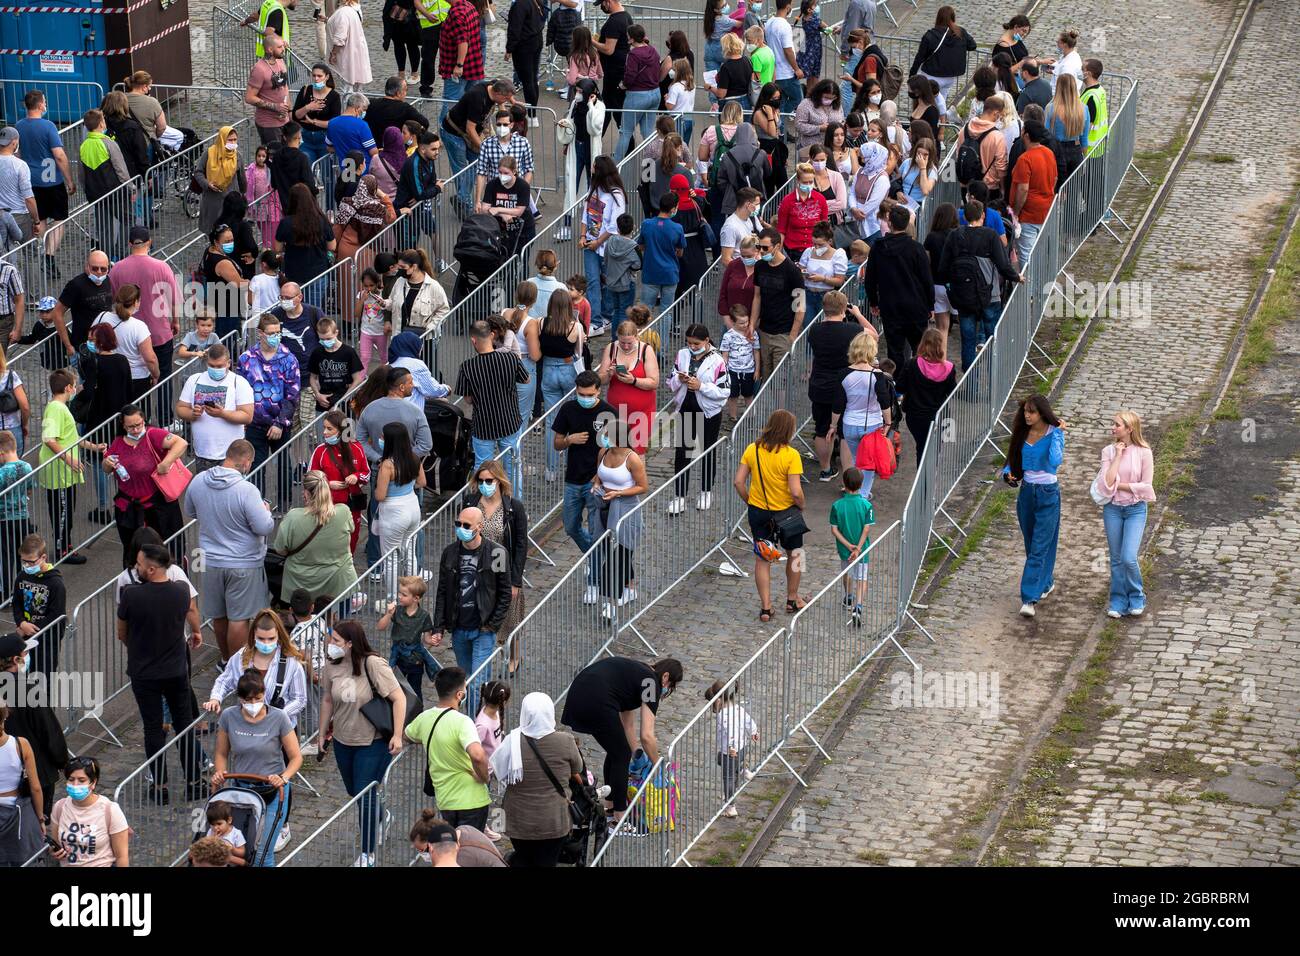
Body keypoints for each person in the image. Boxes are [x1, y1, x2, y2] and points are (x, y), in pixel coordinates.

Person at [117, 542, 204, 802]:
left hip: (144, 672)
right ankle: (194, 782)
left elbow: (122, 632)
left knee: (153, 728)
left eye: (140, 564)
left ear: (152, 568)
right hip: (176, 670)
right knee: (184, 725)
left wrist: (138, 646)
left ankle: (160, 787)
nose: (136, 567)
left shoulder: (131, 594)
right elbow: (189, 613)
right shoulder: (179, 591)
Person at [319, 619, 405, 866]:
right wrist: (321, 734)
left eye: (335, 640)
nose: (330, 643)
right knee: (355, 792)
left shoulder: (373, 664)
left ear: (349, 643)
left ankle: (367, 853)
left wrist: (397, 735)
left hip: (373, 741)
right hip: (343, 740)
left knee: (364, 796)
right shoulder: (332, 665)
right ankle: (381, 817)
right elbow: (327, 699)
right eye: (331, 638)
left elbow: (398, 697)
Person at [183, 439, 276, 659]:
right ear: (245, 461)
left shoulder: (198, 481)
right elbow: (264, 526)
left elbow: (191, 511)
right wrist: (267, 511)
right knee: (239, 618)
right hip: (243, 563)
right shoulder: (247, 490)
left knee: (219, 615)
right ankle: (239, 668)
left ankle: (225, 660)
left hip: (211, 560)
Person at [561, 656, 682, 825]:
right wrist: (657, 765)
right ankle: (619, 817)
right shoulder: (652, 683)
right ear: (666, 677)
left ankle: (610, 808)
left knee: (617, 750)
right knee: (620, 754)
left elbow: (627, 725)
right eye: (670, 686)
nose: (667, 690)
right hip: (595, 698)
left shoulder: (638, 672)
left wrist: (637, 754)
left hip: (581, 692)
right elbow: (647, 736)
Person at [210, 670, 301, 866]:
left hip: (273, 791)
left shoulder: (279, 718)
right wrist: (220, 772)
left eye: (258, 698)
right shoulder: (229, 716)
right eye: (248, 700)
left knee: (263, 852)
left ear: (264, 694)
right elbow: (221, 753)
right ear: (240, 699)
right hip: (242, 791)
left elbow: (295, 757)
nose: (253, 704)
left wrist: (284, 777)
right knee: (244, 849)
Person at [491, 690, 585, 866]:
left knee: (524, 858)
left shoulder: (512, 742)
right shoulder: (566, 741)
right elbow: (577, 768)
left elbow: (498, 771)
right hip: (554, 820)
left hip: (518, 820)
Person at [430, 508, 511, 713]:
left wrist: (492, 625)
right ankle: (471, 720)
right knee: (465, 682)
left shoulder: (497, 553)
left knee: (476, 683)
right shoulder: (449, 552)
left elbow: (504, 593)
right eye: (458, 524)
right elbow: (442, 592)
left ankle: (473, 727)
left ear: (479, 527)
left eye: (466, 525)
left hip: (483, 629)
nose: (461, 529)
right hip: (459, 628)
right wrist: (438, 626)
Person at [356, 365, 432, 570]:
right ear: (400, 387)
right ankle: (415, 567)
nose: (413, 386)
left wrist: (377, 458)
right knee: (414, 526)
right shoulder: (415, 411)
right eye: (410, 382)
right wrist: (407, 459)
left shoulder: (370, 409)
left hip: (379, 471)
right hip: (408, 475)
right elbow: (426, 444)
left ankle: (375, 564)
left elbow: (360, 439)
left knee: (376, 518)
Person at [733, 408, 806, 621]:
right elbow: (795, 491)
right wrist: (801, 505)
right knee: (796, 554)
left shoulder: (752, 450)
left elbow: (738, 482)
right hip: (786, 513)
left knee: (763, 559)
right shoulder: (791, 455)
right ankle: (792, 599)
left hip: (759, 512)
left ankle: (766, 607)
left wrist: (750, 501)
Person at [550, 372, 614, 604]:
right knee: (571, 527)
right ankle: (597, 556)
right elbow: (556, 442)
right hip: (572, 480)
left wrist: (600, 477)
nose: (584, 398)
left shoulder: (609, 413)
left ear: (598, 391)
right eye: (580, 394)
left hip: (597, 482)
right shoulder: (568, 409)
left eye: (589, 395)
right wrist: (568, 440)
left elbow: (615, 450)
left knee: (596, 533)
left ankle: (594, 583)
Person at [939, 198, 1023, 371]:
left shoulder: (954, 236)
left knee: (967, 340)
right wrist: (1017, 277)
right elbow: (1003, 264)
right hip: (989, 294)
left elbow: (943, 267)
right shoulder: (990, 235)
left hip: (964, 296)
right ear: (983, 216)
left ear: (965, 217)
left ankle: (971, 384)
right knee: (993, 338)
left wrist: (951, 285)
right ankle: (994, 380)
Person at [404, 667, 492, 829]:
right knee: (469, 850)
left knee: (452, 850)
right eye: (464, 689)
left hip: (446, 800)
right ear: (459, 695)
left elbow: (407, 736)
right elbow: (478, 755)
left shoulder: (424, 719)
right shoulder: (463, 722)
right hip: (472, 799)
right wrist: (485, 777)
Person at [461, 459, 527, 670]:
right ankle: (483, 655)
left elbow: (520, 544)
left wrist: (515, 580)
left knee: (510, 616)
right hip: (478, 567)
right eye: (480, 480)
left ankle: (514, 655)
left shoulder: (513, 507)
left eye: (489, 480)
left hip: (503, 567)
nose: (484, 484)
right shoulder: (471, 502)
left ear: (499, 480)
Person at [103, 404, 186, 568]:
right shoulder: (118, 443)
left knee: (168, 549)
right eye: (130, 426)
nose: (135, 430)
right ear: (123, 425)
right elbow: (107, 469)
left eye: (138, 425)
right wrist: (106, 462)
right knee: (132, 552)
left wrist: (165, 463)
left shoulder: (152, 434)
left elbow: (181, 443)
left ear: (144, 421)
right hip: (129, 508)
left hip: (158, 506)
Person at [1003, 394, 1064, 618]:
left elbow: (1056, 461)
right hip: (1027, 492)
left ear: (1042, 413)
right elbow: (1012, 459)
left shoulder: (1053, 434)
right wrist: (1007, 473)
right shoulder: (1021, 433)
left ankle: (1029, 598)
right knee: (1031, 543)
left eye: (1032, 412)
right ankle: (1046, 582)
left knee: (1040, 545)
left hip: (1048, 494)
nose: (1027, 415)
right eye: (1026, 411)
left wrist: (1057, 433)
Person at [0, 632, 68, 820]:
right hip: (36, 771)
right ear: (15, 659)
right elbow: (49, 731)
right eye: (24, 654)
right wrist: (62, 761)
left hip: (4, 775)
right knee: (38, 827)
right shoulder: (29, 690)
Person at [457, 318, 529, 491]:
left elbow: (467, 399)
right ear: (492, 335)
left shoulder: (467, 367)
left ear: (473, 340)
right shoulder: (510, 359)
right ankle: (514, 506)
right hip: (509, 421)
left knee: (482, 467)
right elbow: (526, 379)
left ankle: (481, 505)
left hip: (483, 425)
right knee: (513, 466)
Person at [1096, 411, 1156, 619]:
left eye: (1117, 425)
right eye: (1113, 424)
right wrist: (1118, 455)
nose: (1113, 428)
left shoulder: (1144, 452)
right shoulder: (1108, 451)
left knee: (1129, 558)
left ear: (1130, 429)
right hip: (1112, 509)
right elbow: (1106, 483)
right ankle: (1118, 600)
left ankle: (1137, 596)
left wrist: (1118, 486)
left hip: (1135, 510)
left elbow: (1146, 486)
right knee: (1116, 558)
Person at [237, 314, 300, 509]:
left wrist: (280, 423)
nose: (275, 337)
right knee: (256, 466)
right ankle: (256, 505)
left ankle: (284, 504)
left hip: (280, 424)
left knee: (283, 465)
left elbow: (293, 395)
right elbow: (239, 389)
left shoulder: (289, 359)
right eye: (271, 333)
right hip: (254, 424)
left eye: (278, 333)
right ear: (260, 334)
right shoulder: (246, 359)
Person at [667, 324, 730, 514]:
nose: (692, 346)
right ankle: (679, 496)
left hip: (708, 413)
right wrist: (681, 379)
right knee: (682, 453)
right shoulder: (682, 354)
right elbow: (671, 381)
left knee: (707, 451)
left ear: (706, 341)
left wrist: (701, 386)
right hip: (685, 408)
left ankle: (706, 491)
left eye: (696, 343)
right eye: (689, 343)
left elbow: (724, 391)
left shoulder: (718, 360)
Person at [589, 421, 647, 618]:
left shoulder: (633, 459)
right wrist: (596, 484)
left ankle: (610, 602)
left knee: (619, 554)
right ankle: (630, 587)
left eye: (607, 434)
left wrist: (619, 493)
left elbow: (643, 486)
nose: (603, 438)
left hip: (625, 510)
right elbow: (599, 474)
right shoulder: (603, 452)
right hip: (605, 507)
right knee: (611, 550)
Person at [272, 470, 355, 605]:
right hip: (339, 584)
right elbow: (351, 531)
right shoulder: (344, 512)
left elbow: (280, 549)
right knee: (338, 625)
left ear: (306, 493)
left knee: (301, 625)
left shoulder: (293, 517)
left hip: (300, 586)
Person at [864, 204, 931, 371]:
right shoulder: (916, 248)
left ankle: (898, 388)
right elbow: (926, 280)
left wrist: (873, 302)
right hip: (916, 306)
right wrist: (931, 304)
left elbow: (870, 279)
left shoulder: (878, 248)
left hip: (891, 306)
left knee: (895, 351)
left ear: (890, 222)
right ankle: (918, 383)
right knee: (920, 350)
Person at [804, 290, 858, 481]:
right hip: (845, 387)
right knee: (845, 433)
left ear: (824, 308)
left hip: (820, 385)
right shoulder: (853, 330)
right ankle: (848, 477)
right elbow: (873, 335)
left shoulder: (815, 330)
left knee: (821, 428)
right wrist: (858, 314)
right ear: (843, 308)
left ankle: (825, 469)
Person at [440, 78, 516, 211]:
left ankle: (461, 198)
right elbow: (470, 128)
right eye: (506, 99)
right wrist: (485, 149)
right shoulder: (478, 99)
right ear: (498, 94)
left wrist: (509, 105)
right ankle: (464, 203)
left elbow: (502, 88)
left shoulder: (493, 85)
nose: (506, 102)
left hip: (467, 132)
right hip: (453, 133)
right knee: (461, 169)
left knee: (476, 164)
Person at [37, 369, 86, 565]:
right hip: (60, 473)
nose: (76, 389)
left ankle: (65, 546)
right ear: (68, 388)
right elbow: (50, 438)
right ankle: (63, 549)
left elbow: (69, 437)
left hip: (62, 471)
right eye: (74, 386)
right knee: (63, 512)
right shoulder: (57, 408)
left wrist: (92, 446)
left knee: (63, 511)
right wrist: (69, 460)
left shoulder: (58, 407)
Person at [16, 90, 72, 261]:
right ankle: (49, 255)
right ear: (40, 105)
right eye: (45, 102)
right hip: (52, 181)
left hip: (31, 181)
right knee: (59, 219)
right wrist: (69, 180)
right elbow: (59, 155)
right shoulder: (48, 126)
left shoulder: (18, 125)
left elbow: (17, 154)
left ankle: (39, 247)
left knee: (40, 219)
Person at [836, 331, 892, 498]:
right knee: (868, 464)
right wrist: (888, 422)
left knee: (854, 461)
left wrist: (833, 425)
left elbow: (837, 404)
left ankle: (852, 491)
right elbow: (884, 401)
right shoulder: (877, 375)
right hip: (872, 425)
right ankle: (863, 494)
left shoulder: (843, 373)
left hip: (849, 424)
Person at [308, 409, 371, 554]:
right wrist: (328, 484)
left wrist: (356, 476)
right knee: (326, 541)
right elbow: (310, 479)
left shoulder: (357, 448)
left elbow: (366, 473)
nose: (324, 432)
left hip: (352, 506)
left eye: (329, 428)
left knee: (351, 539)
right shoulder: (320, 451)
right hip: (326, 505)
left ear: (342, 430)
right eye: (324, 427)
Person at [373, 420, 427, 587]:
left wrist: (377, 490)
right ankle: (412, 596)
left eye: (383, 436)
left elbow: (380, 496)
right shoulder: (414, 458)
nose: (380, 438)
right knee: (410, 553)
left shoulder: (387, 465)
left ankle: (392, 600)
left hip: (393, 512)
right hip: (412, 507)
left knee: (390, 559)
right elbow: (422, 482)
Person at [49, 757, 129, 867]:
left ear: (93, 782)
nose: (75, 784)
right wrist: (54, 851)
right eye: (71, 779)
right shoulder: (60, 807)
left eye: (81, 780)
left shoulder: (110, 810)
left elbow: (122, 857)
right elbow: (56, 844)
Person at [751, 227, 806, 386]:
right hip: (764, 331)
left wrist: (793, 335)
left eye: (765, 248)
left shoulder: (792, 271)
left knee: (780, 382)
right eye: (759, 247)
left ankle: (780, 411)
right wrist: (752, 324)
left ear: (777, 246)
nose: (761, 251)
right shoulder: (760, 266)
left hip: (784, 333)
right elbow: (757, 296)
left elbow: (800, 306)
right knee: (765, 377)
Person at [597, 319, 659, 458]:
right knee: (615, 449)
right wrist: (609, 373)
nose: (625, 346)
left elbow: (654, 382)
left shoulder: (646, 350)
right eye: (622, 342)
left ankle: (637, 480)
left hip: (642, 413)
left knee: (637, 453)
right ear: (617, 337)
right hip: (616, 411)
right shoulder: (611, 348)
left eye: (629, 343)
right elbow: (601, 380)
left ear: (636, 337)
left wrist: (634, 380)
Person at [580, 156, 628, 332]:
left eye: (594, 166)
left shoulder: (616, 195)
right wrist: (582, 235)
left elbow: (614, 226)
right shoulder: (593, 189)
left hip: (606, 246)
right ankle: (595, 321)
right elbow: (585, 214)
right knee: (593, 281)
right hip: (590, 243)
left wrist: (598, 241)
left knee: (607, 282)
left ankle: (606, 316)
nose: (591, 168)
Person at [896, 328, 957, 465]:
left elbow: (900, 387)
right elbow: (953, 392)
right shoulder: (949, 368)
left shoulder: (911, 364)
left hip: (915, 415)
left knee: (921, 447)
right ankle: (929, 480)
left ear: (922, 343)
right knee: (936, 449)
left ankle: (923, 482)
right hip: (941, 415)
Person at [10, 533, 64, 676]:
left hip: (46, 641)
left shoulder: (56, 583)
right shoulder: (22, 576)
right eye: (24, 561)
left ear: (43, 558)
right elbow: (16, 603)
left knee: (42, 677)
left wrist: (31, 629)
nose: (27, 565)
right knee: (22, 673)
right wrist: (21, 623)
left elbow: (56, 614)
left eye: (31, 562)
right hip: (23, 637)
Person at [908, 5, 976, 116]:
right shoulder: (960, 32)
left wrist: (912, 74)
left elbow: (920, 57)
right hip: (949, 78)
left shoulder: (930, 35)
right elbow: (973, 45)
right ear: (953, 18)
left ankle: (938, 120)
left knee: (925, 106)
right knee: (941, 101)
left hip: (931, 76)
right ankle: (941, 122)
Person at [828, 467, 874, 625]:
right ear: (861, 485)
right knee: (862, 577)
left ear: (844, 484)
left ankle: (848, 597)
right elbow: (867, 528)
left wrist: (848, 546)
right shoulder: (866, 505)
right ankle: (858, 606)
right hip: (862, 550)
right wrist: (858, 548)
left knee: (846, 572)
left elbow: (834, 530)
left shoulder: (837, 505)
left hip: (844, 549)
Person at [274, 184, 336, 301]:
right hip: (318, 273)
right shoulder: (322, 220)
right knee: (313, 311)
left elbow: (277, 248)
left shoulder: (286, 223)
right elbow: (332, 245)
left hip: (294, 272)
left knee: (294, 311)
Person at [380, 575, 438, 696]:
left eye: (404, 595)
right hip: (398, 657)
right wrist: (388, 614)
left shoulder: (424, 616)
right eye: (399, 593)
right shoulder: (398, 611)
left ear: (416, 598)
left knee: (415, 691)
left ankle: (416, 713)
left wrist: (432, 640)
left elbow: (427, 638)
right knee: (395, 689)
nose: (399, 597)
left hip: (415, 660)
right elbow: (380, 627)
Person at [1010, 120, 1058, 267]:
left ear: (1027, 135)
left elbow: (1023, 189)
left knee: (1026, 254)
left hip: (1029, 214)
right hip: (1047, 209)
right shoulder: (1049, 153)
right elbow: (1055, 178)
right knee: (1041, 253)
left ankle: (1030, 289)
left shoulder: (1025, 159)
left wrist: (1016, 212)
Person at [52, 251, 114, 359]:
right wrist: (68, 345)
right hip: (84, 347)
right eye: (95, 268)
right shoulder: (76, 285)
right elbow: (57, 313)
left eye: (103, 269)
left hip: (105, 346)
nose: (99, 272)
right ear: (87, 267)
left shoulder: (108, 280)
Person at [388, 247, 450, 339]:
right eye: (399, 266)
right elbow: (392, 303)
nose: (399, 270)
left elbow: (444, 310)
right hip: (400, 338)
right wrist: (384, 303)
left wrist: (431, 326)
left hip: (425, 339)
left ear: (414, 267)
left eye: (403, 267)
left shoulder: (433, 286)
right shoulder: (399, 282)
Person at [477, 154, 533, 256]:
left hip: (523, 230)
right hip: (500, 230)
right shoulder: (492, 184)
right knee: (501, 258)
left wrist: (498, 209)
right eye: (500, 172)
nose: (502, 176)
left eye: (506, 173)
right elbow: (484, 209)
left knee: (521, 258)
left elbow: (519, 211)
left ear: (514, 171)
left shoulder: (523, 186)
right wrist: (502, 214)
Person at [639, 193, 686, 312]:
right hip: (670, 273)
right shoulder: (677, 228)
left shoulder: (646, 224)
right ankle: (663, 332)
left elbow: (641, 246)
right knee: (666, 311)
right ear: (673, 209)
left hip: (651, 273)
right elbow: (680, 252)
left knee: (645, 310)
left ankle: (645, 331)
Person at [202, 225, 249, 341]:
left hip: (219, 301)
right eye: (227, 241)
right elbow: (239, 284)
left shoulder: (209, 251)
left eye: (232, 240)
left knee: (223, 335)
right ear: (216, 242)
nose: (231, 243)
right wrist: (250, 282)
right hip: (229, 305)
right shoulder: (222, 263)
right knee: (230, 339)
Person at [437, 0, 485, 112]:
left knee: (451, 103)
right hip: (473, 65)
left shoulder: (456, 13)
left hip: (458, 69)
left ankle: (447, 129)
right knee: (471, 101)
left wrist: (459, 65)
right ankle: (465, 127)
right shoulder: (469, 6)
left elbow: (462, 41)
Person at [292, 64, 342, 165]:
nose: (316, 79)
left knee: (327, 172)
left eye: (319, 76)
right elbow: (295, 116)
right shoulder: (306, 90)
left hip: (324, 139)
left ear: (327, 77)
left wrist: (312, 121)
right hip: (306, 138)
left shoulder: (334, 96)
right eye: (314, 75)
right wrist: (308, 107)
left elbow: (334, 123)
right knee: (306, 169)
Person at [799, 220, 848, 323]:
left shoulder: (838, 254)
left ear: (830, 241)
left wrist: (822, 279)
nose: (816, 247)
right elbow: (800, 270)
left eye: (820, 245)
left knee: (825, 328)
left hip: (827, 297)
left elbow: (839, 280)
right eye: (814, 244)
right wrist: (803, 274)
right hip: (807, 294)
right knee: (807, 328)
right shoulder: (808, 252)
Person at [1045, 73, 1090, 182]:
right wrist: (1084, 158)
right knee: (1073, 188)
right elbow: (1084, 139)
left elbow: (1045, 135)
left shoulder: (1050, 108)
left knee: (1057, 185)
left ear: (1058, 88)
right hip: (1076, 150)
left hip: (1056, 150)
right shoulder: (1083, 109)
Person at [777, 164, 828, 260]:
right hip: (793, 249)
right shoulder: (787, 201)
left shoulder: (820, 199)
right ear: (798, 181)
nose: (808, 185)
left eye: (811, 182)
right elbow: (781, 230)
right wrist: (779, 254)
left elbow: (824, 228)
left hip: (815, 249)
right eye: (805, 182)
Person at [388, 330, 448, 406]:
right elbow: (433, 390)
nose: (420, 351)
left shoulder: (391, 363)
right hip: (410, 412)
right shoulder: (416, 365)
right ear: (413, 347)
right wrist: (447, 389)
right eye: (420, 348)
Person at [765, 0, 803, 120]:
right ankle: (779, 121)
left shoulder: (770, 22)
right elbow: (788, 51)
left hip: (776, 71)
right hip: (786, 72)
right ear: (788, 7)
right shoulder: (784, 25)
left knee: (780, 101)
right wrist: (796, 69)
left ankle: (779, 129)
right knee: (797, 98)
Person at [269, 122, 318, 209]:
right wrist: (316, 190)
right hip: (303, 206)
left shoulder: (277, 157)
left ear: (284, 137)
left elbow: (274, 183)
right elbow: (310, 184)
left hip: (286, 205)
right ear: (299, 137)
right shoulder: (302, 158)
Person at [328, 0, 374, 89]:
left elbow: (340, 38)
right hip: (356, 51)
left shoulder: (343, 13)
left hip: (346, 54)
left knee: (347, 87)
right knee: (357, 86)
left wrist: (333, 54)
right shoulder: (355, 9)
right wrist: (328, 20)